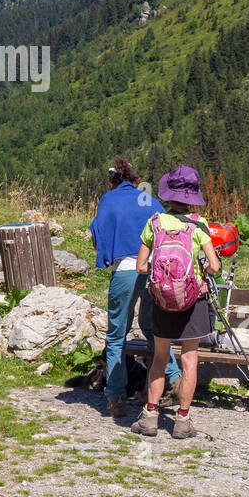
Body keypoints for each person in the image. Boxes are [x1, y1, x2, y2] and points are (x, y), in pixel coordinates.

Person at [131, 166, 221, 440]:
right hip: (193, 301)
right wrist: (201, 267)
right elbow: (215, 266)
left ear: (168, 194)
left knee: (160, 358)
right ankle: (182, 420)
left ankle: (150, 416)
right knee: (190, 360)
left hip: (162, 301)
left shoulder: (155, 223)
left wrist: (163, 276)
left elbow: (140, 267)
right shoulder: (198, 224)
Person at [89, 157, 182, 417]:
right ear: (134, 180)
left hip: (127, 270)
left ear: (112, 181)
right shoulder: (148, 199)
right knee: (153, 328)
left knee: (117, 334)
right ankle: (175, 380)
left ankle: (116, 396)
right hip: (156, 271)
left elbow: (97, 234)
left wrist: (107, 253)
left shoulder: (110, 199)